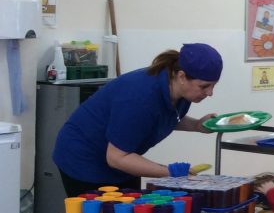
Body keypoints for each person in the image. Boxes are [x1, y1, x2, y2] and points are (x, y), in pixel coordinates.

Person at [53, 43, 222, 196]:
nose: (210, 93)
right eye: (204, 86)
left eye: (213, 85)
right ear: (182, 76)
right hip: (85, 158)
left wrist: (197, 125)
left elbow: (165, 117)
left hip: (122, 158)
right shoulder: (141, 98)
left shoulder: (180, 92)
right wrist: (171, 172)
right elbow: (116, 158)